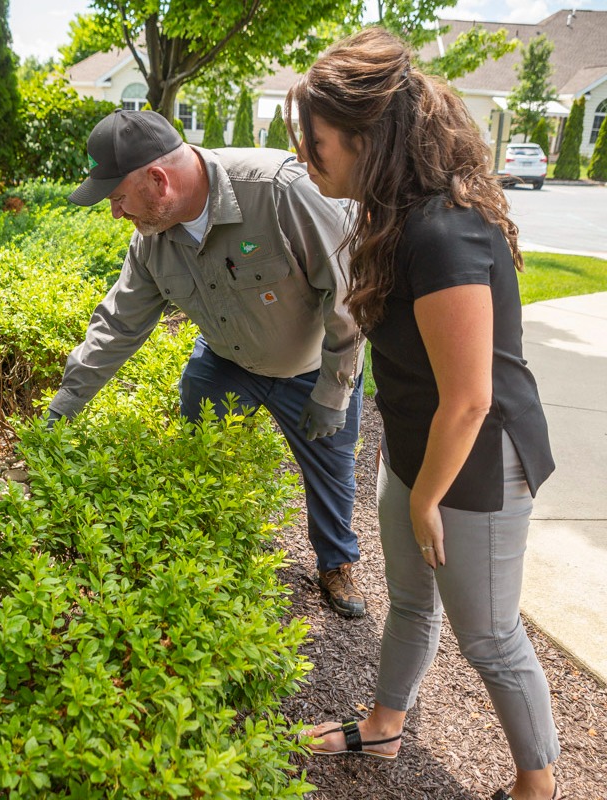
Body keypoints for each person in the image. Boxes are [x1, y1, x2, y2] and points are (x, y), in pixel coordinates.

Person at [285, 27, 561, 800]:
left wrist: (428, 494)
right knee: (410, 602)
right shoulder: (394, 217)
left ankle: (538, 786)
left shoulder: (443, 232)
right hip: (422, 452)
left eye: (318, 144)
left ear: (369, 138)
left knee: (491, 637)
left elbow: (472, 398)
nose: (310, 160)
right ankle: (383, 726)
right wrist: (403, 466)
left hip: (476, 464)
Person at [47, 109, 368, 617]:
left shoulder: (280, 191)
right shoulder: (152, 240)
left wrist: (335, 391)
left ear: (158, 180)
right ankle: (207, 547)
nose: (116, 214)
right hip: (227, 360)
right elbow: (118, 325)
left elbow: (351, 296)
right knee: (197, 455)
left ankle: (336, 564)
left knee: (331, 469)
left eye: (117, 198)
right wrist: (64, 406)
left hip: (310, 366)